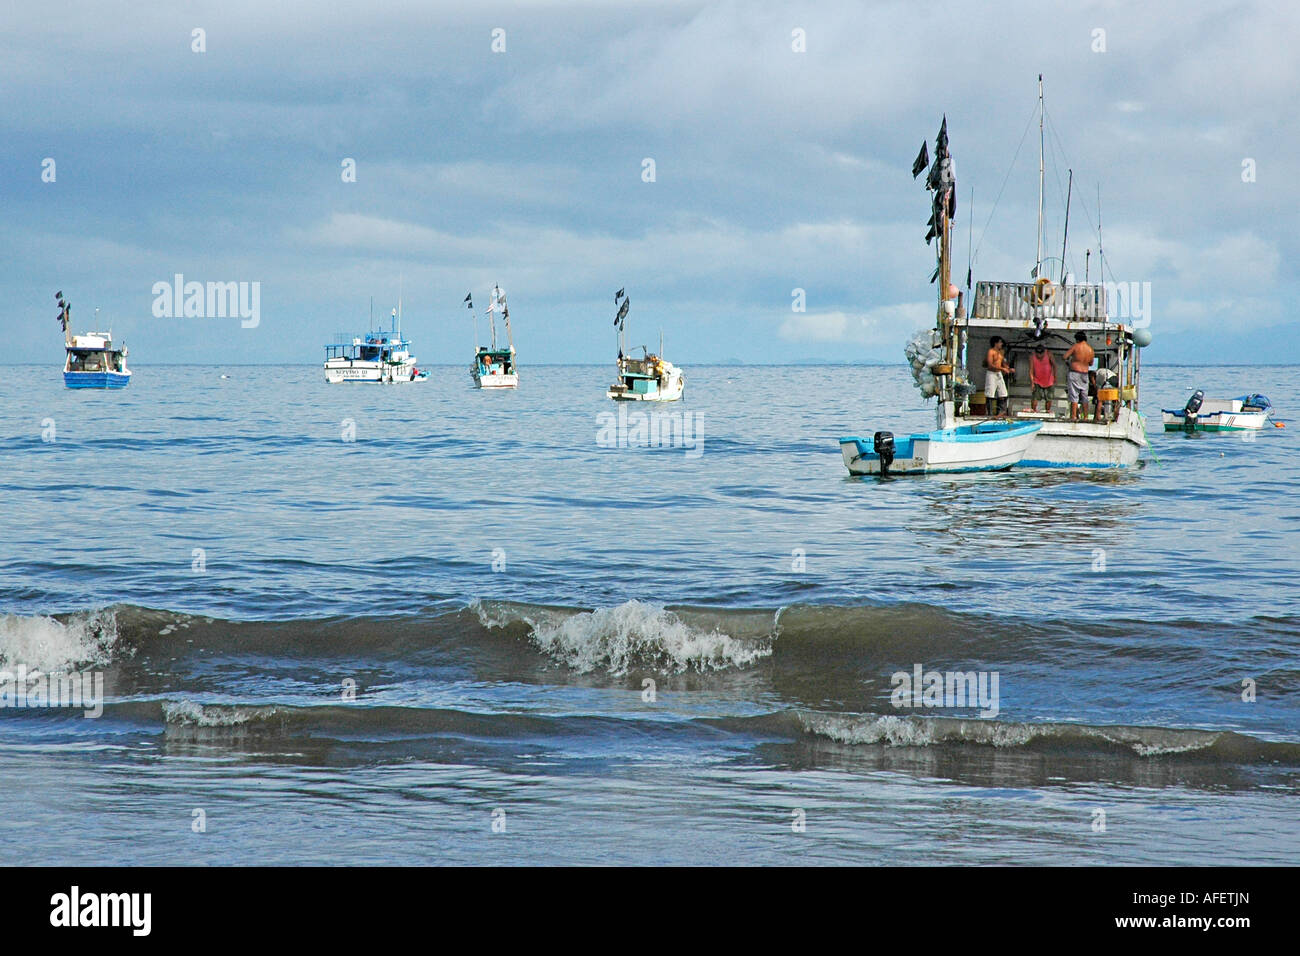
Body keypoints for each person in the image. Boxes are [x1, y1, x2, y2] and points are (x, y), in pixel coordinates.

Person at [1063, 331, 1095, 422]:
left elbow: (1065, 356)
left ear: (1077, 339)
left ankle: (1074, 416)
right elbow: (1091, 363)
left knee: (1074, 396)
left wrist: (1070, 362)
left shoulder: (1076, 346)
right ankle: (1085, 417)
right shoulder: (1090, 350)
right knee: (1084, 396)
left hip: (1074, 373)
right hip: (1085, 374)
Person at [983, 336, 1015, 417]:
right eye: (1000, 342)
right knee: (990, 392)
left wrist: (1008, 368)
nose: (1001, 344)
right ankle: (989, 413)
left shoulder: (1001, 352)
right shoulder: (991, 352)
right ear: (995, 343)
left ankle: (1001, 412)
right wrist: (1002, 369)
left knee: (1003, 392)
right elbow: (990, 365)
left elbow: (1003, 363)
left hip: (999, 373)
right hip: (991, 373)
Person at [1029, 343, 1056, 413]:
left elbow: (1054, 366)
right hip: (1037, 380)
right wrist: (1032, 382)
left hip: (1049, 380)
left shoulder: (1049, 354)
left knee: (1049, 398)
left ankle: (1048, 411)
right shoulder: (1032, 356)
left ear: (1044, 352)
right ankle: (1034, 410)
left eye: (1041, 354)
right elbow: (1031, 370)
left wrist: (1055, 377)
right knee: (1035, 397)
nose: (1039, 355)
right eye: (1038, 353)